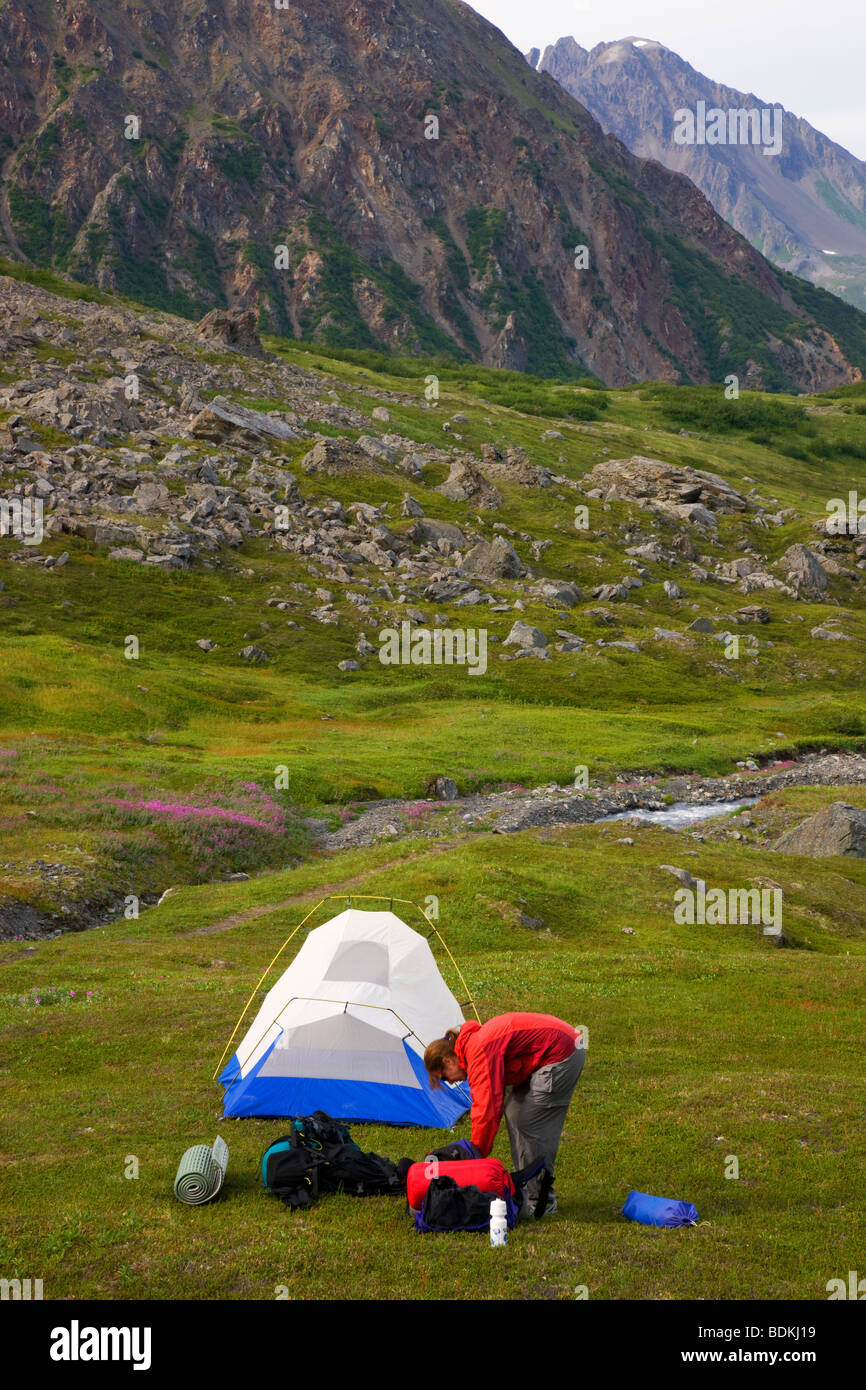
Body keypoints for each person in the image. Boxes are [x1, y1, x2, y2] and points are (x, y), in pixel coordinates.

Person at [424, 1011, 585, 1215]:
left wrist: (475, 1156)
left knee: (529, 1124)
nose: (452, 1082)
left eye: (445, 1077)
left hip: (563, 1052)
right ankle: (527, 1191)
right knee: (514, 1112)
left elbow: (487, 1110)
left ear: (447, 1060)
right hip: (556, 1048)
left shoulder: (478, 1051)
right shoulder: (474, 1045)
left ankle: (542, 1202)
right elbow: (493, 1101)